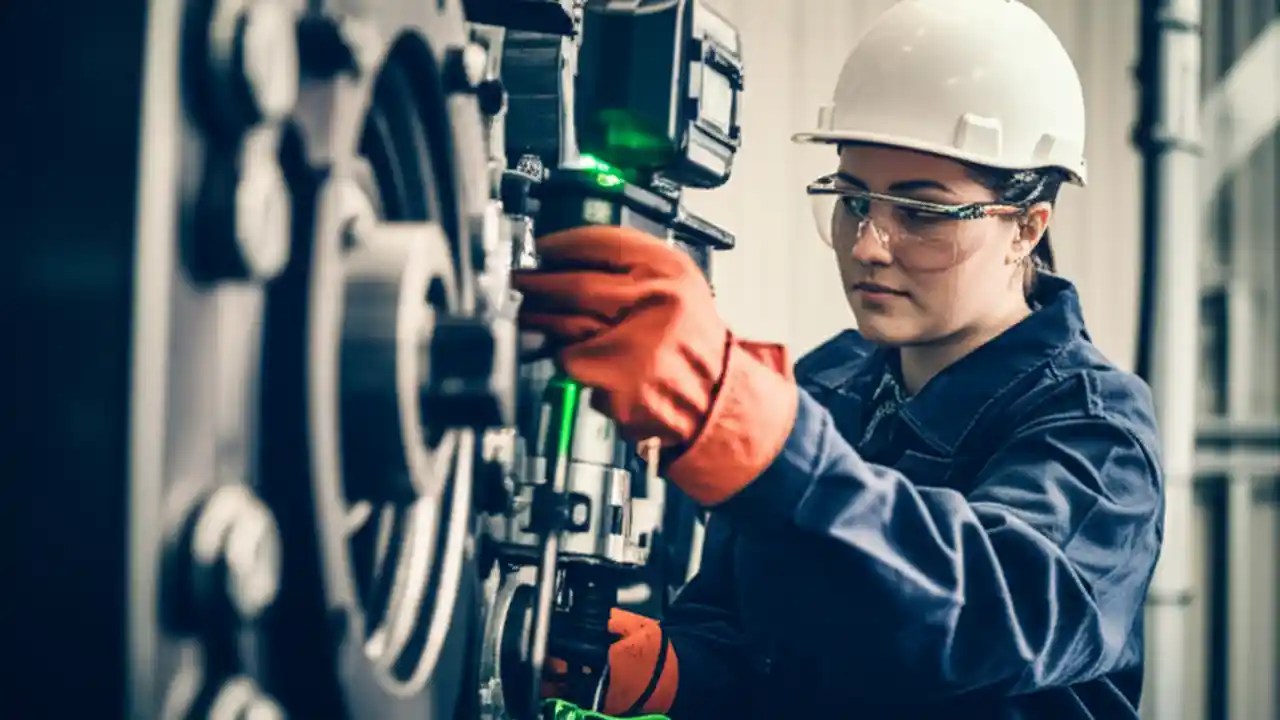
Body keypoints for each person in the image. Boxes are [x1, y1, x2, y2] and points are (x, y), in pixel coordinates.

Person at [514, 0, 1165, 717]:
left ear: (1027, 227)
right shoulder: (831, 384)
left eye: (920, 212)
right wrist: (672, 669)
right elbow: (750, 639)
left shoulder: (1095, 430)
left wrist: (771, 451)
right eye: (853, 201)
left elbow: (993, 617)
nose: (866, 246)